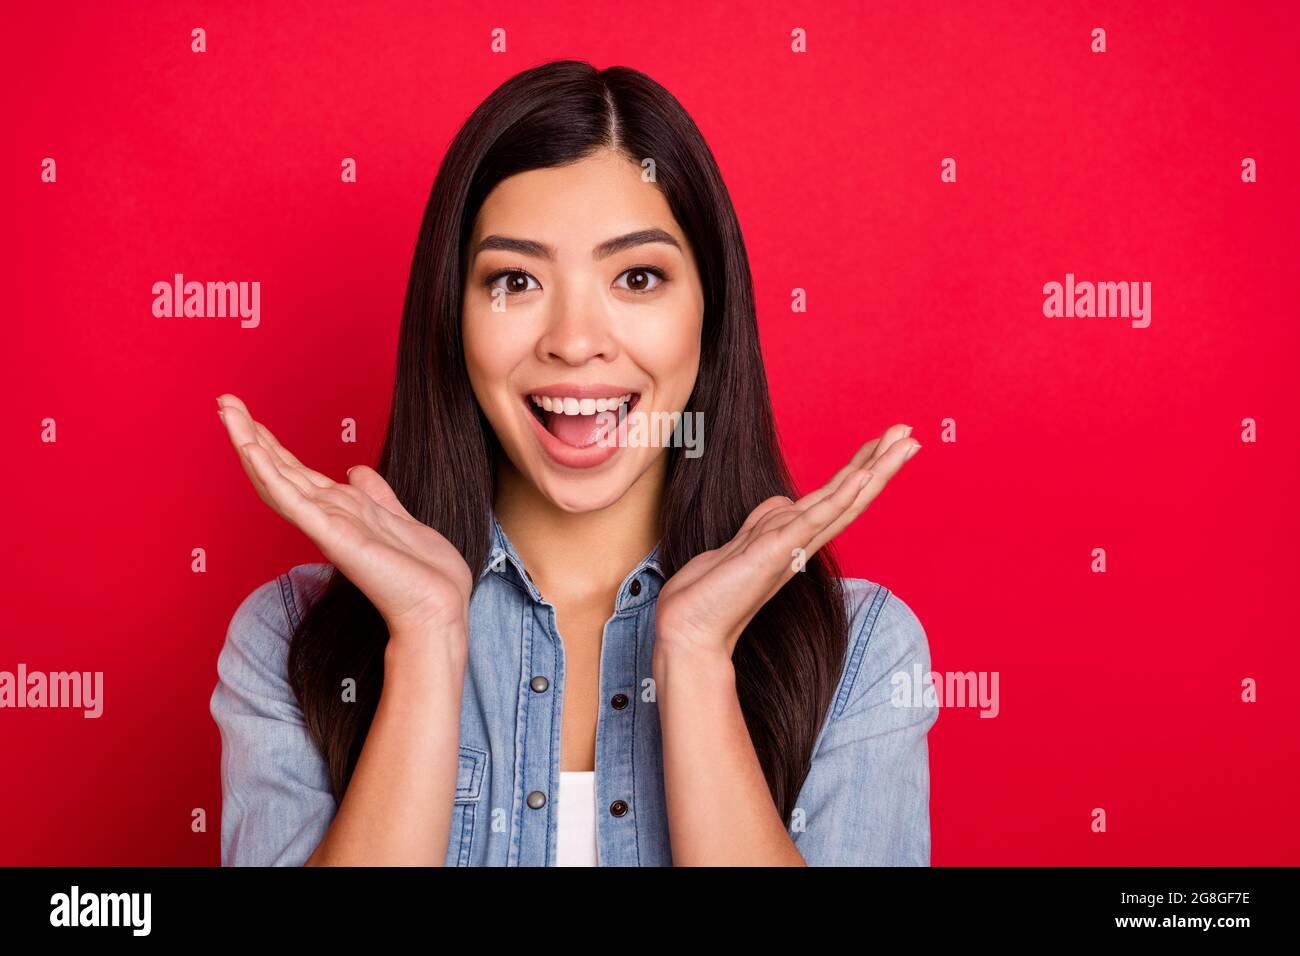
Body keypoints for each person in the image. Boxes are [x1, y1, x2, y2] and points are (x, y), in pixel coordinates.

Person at [209, 59, 936, 867]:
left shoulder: (859, 653)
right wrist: (423, 641)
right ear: (451, 318)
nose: (575, 339)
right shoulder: (290, 642)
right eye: (515, 280)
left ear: (713, 312)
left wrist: (695, 657)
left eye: (637, 276)